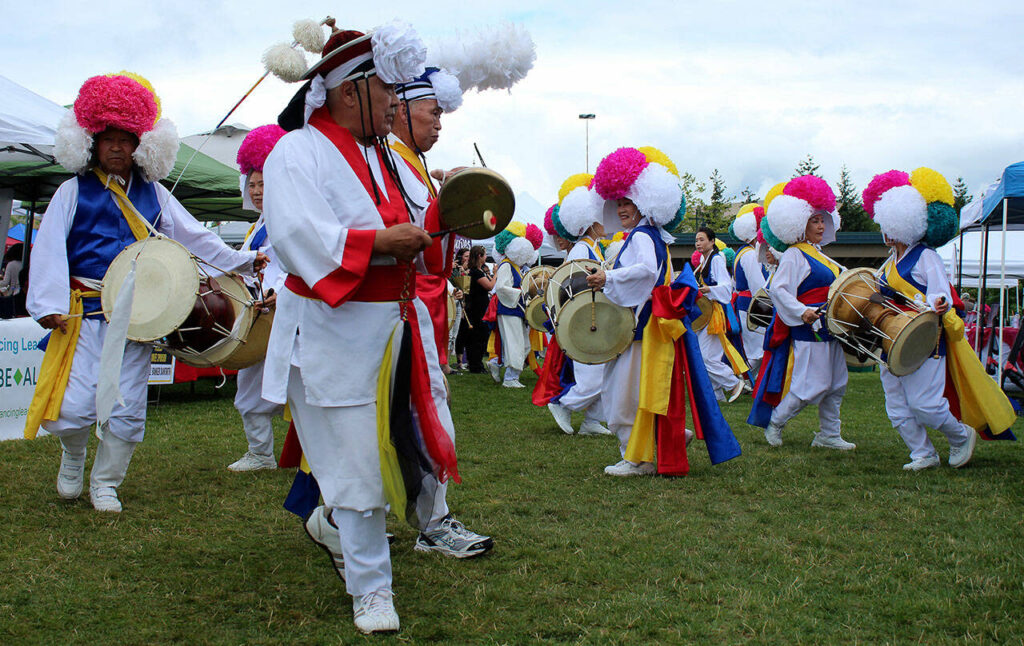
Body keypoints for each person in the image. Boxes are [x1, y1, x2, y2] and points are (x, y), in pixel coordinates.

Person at [259, 24, 486, 634]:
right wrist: (376, 242)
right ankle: (371, 589)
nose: (394, 100)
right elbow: (296, 236)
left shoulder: (392, 158)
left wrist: (463, 203)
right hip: (336, 329)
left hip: (402, 326)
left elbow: (427, 228)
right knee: (355, 460)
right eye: (386, 88)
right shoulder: (296, 152)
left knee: (419, 433)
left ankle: (354, 527)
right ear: (350, 89)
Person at [25, 73, 263, 512]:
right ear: (92, 142)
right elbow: (50, 249)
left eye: (125, 139)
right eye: (108, 139)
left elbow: (195, 238)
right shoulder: (70, 191)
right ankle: (73, 455)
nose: (116, 147)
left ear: (141, 145)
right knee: (74, 405)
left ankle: (107, 483)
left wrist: (243, 261)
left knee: (128, 405)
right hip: (82, 314)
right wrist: (47, 304)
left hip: (139, 316)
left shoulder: (154, 193)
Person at [585, 146, 741, 477]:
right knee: (642, 390)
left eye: (628, 202)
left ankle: (637, 458)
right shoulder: (651, 235)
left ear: (644, 202)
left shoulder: (642, 235)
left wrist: (608, 276)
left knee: (622, 395)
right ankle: (666, 438)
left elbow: (643, 271)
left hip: (642, 328)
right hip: (649, 327)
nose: (622, 208)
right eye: (620, 202)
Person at [863, 167, 1016, 470]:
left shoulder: (926, 256)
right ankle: (922, 453)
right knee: (896, 406)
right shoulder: (890, 262)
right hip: (892, 339)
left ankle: (961, 436)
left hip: (924, 339)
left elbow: (939, 294)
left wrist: (935, 302)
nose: (884, 229)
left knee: (925, 404)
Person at [748, 175, 855, 450]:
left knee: (837, 384)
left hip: (828, 327)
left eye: (822, 220)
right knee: (812, 385)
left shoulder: (819, 254)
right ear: (799, 223)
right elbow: (780, 290)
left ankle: (829, 434)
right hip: (810, 328)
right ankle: (776, 421)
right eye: (814, 220)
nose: (820, 225)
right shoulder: (796, 254)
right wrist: (802, 311)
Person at [388, 66, 461, 375]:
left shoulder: (411, 159)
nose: (439, 125)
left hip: (423, 296)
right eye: (434, 114)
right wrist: (449, 198)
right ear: (404, 111)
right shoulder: (390, 156)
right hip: (404, 299)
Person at [226, 125, 288, 472]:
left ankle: (313, 452)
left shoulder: (289, 218)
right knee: (249, 378)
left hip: (285, 312)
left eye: (263, 183)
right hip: (258, 313)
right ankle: (261, 452)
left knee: (300, 383)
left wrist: (278, 291)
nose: (257, 190)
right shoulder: (258, 224)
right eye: (252, 184)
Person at [540, 179, 611, 436]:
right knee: (593, 376)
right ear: (590, 220)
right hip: (584, 318)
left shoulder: (594, 247)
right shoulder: (582, 248)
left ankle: (592, 421)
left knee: (604, 371)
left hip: (596, 316)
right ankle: (561, 402)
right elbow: (569, 284)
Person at [694, 227, 748, 401]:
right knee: (708, 356)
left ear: (712, 241)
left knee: (704, 356)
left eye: (702, 239)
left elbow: (726, 287)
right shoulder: (705, 260)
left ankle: (732, 383)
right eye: (696, 240)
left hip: (715, 313)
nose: (698, 243)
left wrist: (709, 289)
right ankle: (717, 394)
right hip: (708, 312)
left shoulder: (716, 260)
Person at [486, 221, 543, 388]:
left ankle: (496, 363)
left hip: (515, 309)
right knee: (515, 342)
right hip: (508, 309)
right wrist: (522, 293)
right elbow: (502, 288)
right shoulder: (506, 265)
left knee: (522, 343)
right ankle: (510, 378)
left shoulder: (515, 266)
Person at [729, 204, 769, 375]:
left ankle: (747, 379)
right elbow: (758, 286)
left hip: (745, 304)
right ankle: (741, 379)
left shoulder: (741, 252)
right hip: (753, 306)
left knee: (754, 347)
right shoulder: (750, 254)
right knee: (757, 349)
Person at [465, 245, 494, 372]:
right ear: (479, 256)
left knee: (479, 337)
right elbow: (489, 286)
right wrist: (497, 274)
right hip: (477, 308)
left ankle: (476, 363)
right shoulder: (475, 272)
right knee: (477, 337)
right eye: (485, 255)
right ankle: (475, 364)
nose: (486, 257)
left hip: (479, 307)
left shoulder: (479, 270)